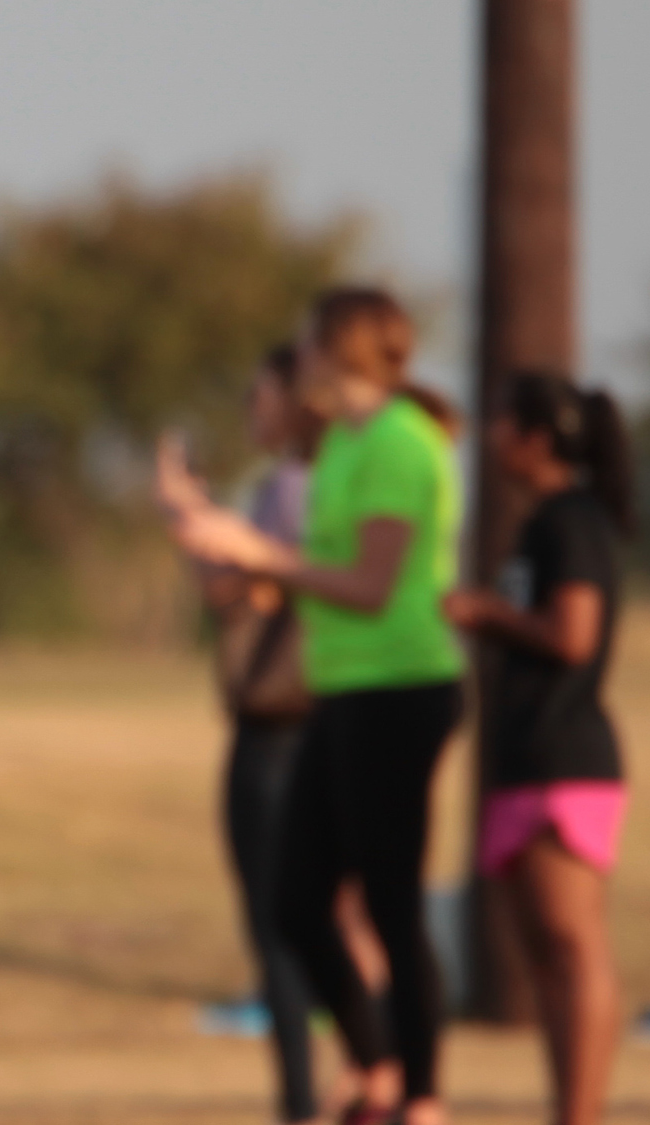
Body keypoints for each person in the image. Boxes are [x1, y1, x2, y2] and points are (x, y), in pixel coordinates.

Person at [168, 288, 464, 1125]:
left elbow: (370, 586)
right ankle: (375, 1065)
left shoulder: (402, 444)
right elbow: (307, 566)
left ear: (343, 349)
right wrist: (227, 545)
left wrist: (262, 553)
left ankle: (423, 1092)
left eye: (308, 342)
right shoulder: (344, 446)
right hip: (341, 690)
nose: (297, 356)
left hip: (402, 688)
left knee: (392, 898)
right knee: (296, 902)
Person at [444, 372, 633, 1125]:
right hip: (526, 757)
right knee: (546, 959)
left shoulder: (571, 521)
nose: (493, 439)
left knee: (572, 943)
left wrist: (488, 613)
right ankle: (566, 1108)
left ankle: (580, 1116)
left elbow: (574, 634)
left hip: (567, 757)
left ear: (537, 436)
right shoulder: (540, 522)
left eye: (503, 424)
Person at [162, 344, 328, 1123]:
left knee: (282, 927)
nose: (250, 410)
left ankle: (309, 1099)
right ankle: (368, 1085)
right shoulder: (304, 483)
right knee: (320, 922)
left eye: (259, 395)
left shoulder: (295, 485)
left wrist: (190, 514)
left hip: (284, 726)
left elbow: (247, 583)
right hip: (313, 722)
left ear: (297, 400)